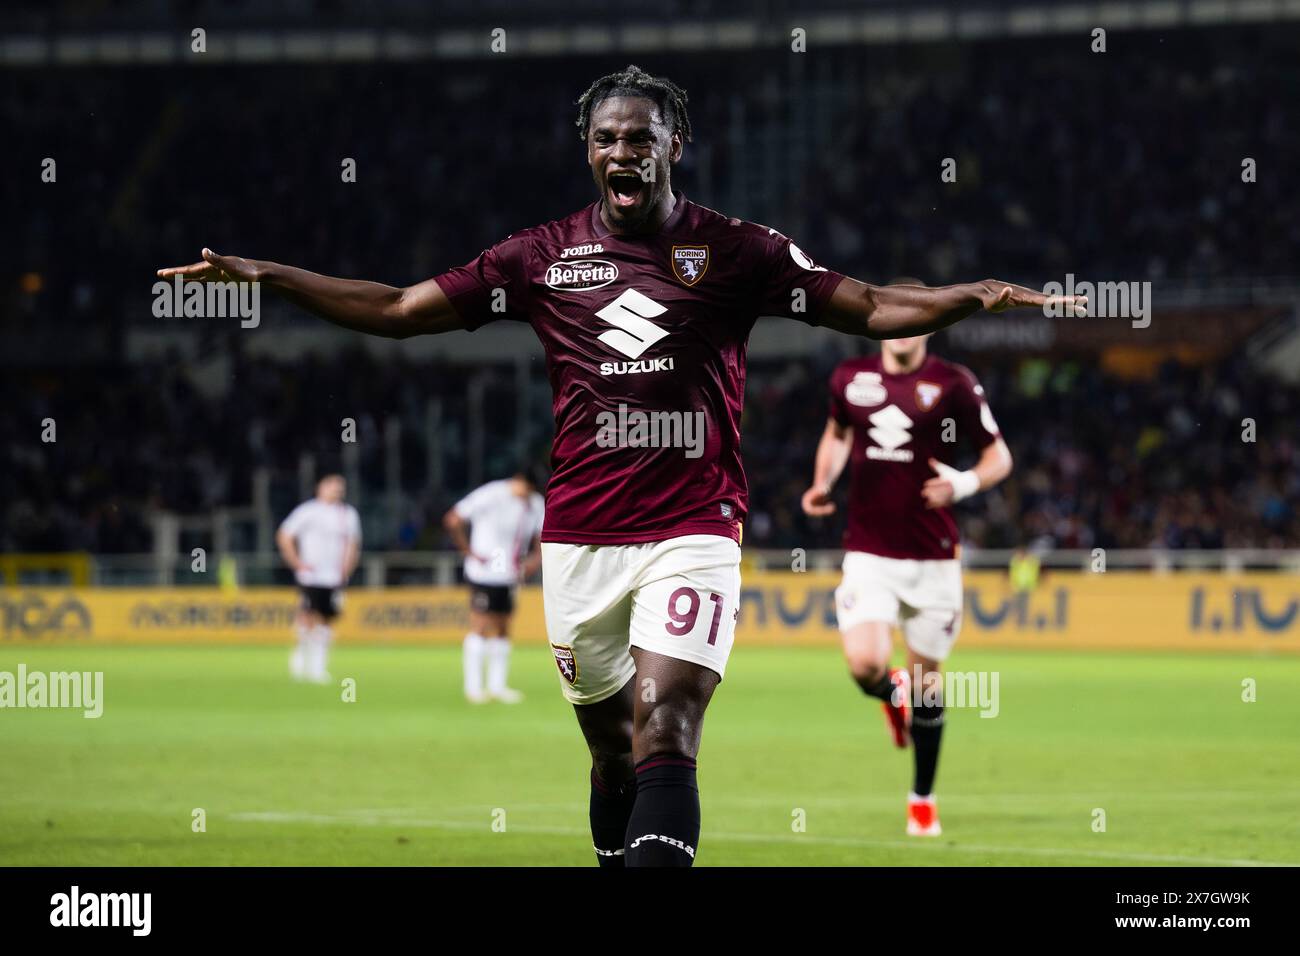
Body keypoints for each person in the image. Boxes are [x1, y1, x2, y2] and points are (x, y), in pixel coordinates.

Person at [159, 64, 1082, 865]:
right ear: (588, 150)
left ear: (674, 143)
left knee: (668, 725)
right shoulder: (538, 257)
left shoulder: (738, 251)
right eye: (606, 138)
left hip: (695, 526)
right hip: (579, 541)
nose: (622, 152)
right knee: (608, 750)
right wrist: (273, 277)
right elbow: (399, 309)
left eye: (640, 136)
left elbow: (874, 305)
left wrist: (970, 297)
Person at [801, 324, 1012, 836]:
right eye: (890, 319)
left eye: (911, 319)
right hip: (869, 553)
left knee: (928, 687)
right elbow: (838, 432)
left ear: (928, 326)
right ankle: (888, 693)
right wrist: (822, 482)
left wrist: (962, 483)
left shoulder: (953, 382)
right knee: (865, 664)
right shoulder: (850, 379)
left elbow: (998, 456)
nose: (901, 329)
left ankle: (922, 799)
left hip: (934, 558)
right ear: (878, 326)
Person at [443, 470, 545, 704]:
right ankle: (474, 687)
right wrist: (469, 552)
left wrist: (534, 560)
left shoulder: (535, 503)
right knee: (479, 625)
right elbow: (453, 519)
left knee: (503, 628)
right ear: (518, 480)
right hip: (484, 573)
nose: (527, 494)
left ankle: (497, 686)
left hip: (509, 575)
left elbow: (540, 535)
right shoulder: (491, 494)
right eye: (526, 488)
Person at [275, 474, 361, 684]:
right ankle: (299, 658)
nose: (337, 491)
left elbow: (353, 543)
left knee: (327, 620)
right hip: (311, 575)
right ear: (320, 488)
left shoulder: (347, 514)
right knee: (307, 616)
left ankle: (318, 666)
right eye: (332, 486)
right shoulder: (308, 511)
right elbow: (284, 535)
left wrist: (346, 570)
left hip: (333, 577)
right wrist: (296, 562)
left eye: (340, 487)